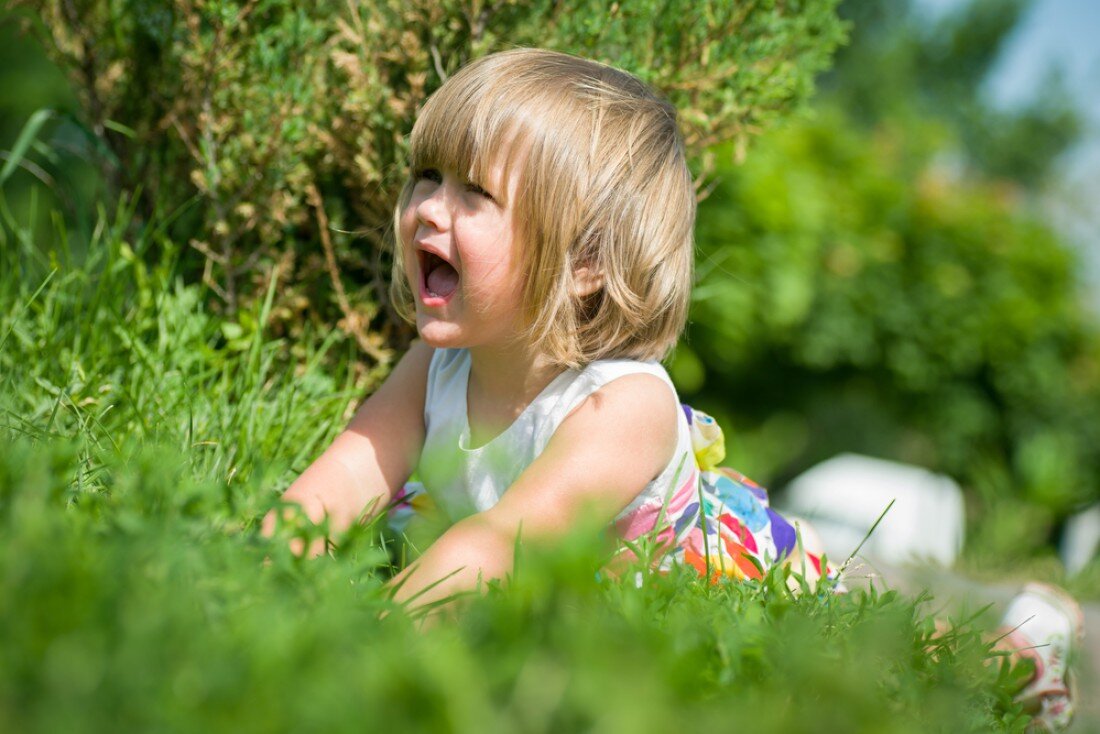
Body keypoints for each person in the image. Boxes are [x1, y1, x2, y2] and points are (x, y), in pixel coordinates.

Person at [263, 48, 1082, 731]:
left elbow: (498, 543)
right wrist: (241, 564)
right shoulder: (432, 368)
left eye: (474, 195)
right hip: (543, 580)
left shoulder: (622, 405)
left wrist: (358, 645)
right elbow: (338, 482)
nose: (427, 212)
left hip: (726, 571)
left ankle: (1019, 639)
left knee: (880, 642)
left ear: (587, 262)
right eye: (426, 177)